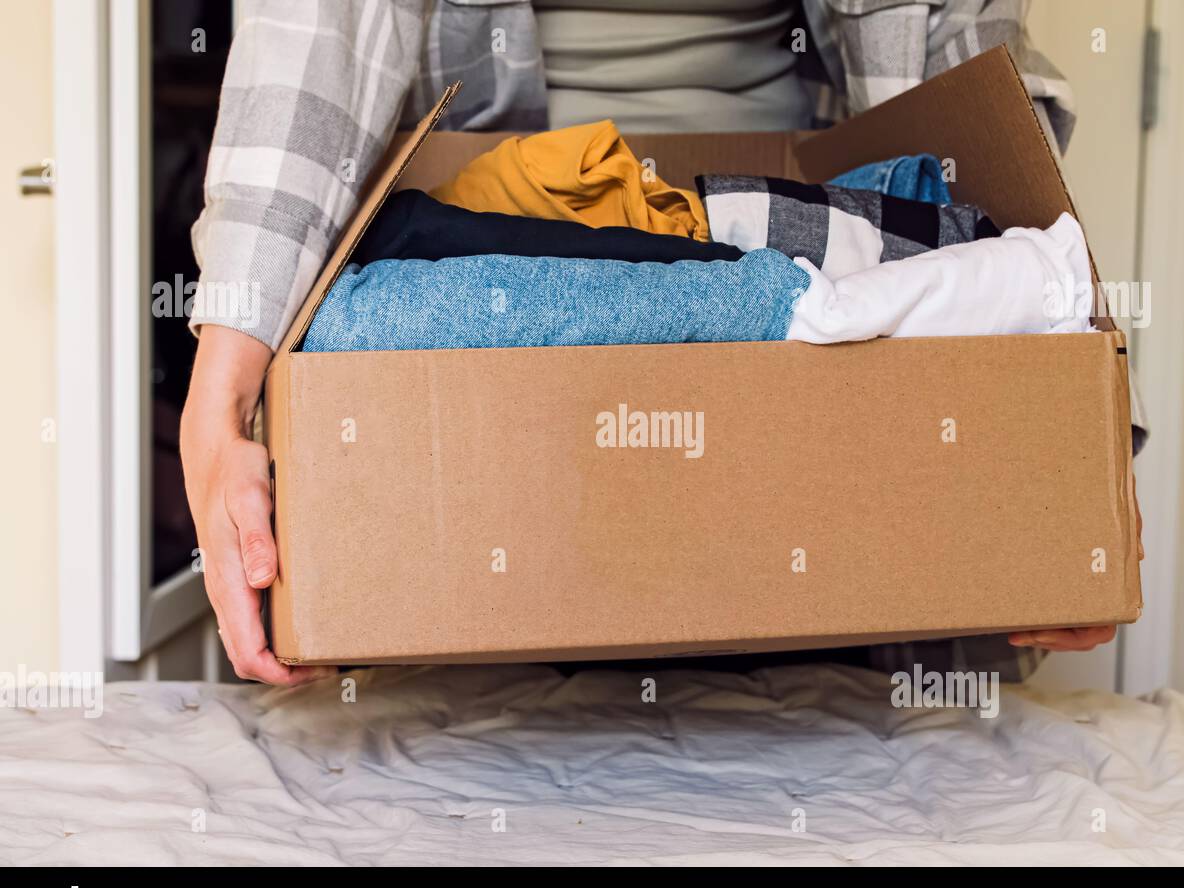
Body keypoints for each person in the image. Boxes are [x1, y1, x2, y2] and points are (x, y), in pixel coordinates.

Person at [182, 0, 1130, 685]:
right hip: (495, 215)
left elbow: (967, 63)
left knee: (807, 713)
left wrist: (1073, 441)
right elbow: (320, 29)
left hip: (782, 229)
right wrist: (218, 397)